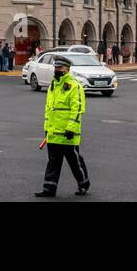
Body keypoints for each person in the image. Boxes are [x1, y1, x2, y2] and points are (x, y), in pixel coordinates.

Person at [34, 56, 90, 198]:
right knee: (53, 162)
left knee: (74, 161)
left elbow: (77, 109)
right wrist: (47, 127)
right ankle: (49, 189)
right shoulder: (53, 86)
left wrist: (71, 128)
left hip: (67, 133)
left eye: (60, 68)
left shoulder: (74, 86)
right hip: (53, 132)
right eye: (56, 68)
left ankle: (83, 184)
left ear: (67, 69)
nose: (57, 70)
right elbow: (49, 109)